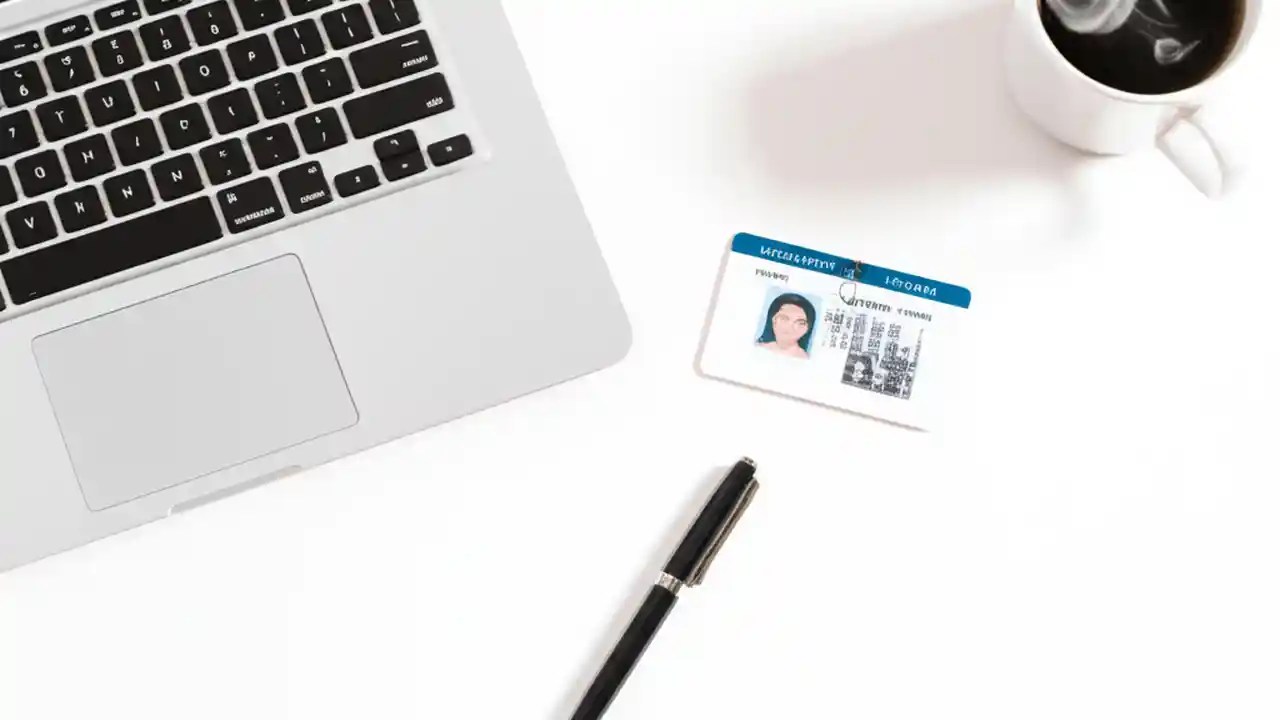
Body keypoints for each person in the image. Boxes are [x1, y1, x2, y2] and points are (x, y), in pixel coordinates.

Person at [757, 293, 817, 359]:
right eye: (784, 318)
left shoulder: (805, 359)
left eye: (800, 323)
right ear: (773, 319)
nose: (789, 326)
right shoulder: (758, 348)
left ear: (807, 329)